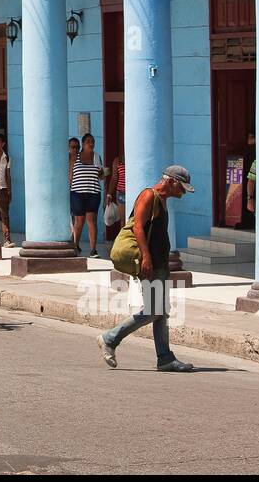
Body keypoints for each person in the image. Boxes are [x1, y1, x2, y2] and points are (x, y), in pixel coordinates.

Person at [97, 165, 197, 373]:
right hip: (150, 264)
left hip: (159, 264)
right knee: (153, 311)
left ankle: (165, 358)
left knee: (161, 312)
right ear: (171, 182)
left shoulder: (162, 200)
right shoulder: (148, 195)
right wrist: (146, 258)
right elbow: (138, 227)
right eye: (181, 188)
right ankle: (110, 338)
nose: (183, 193)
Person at [71, 133, 106, 257]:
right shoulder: (75, 157)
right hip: (77, 193)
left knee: (92, 221)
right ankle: (75, 246)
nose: (91, 144)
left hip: (93, 193)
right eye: (88, 142)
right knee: (79, 221)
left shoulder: (97, 157)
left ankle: (93, 250)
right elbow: (70, 174)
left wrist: (104, 173)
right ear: (83, 144)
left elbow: (100, 176)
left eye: (93, 142)